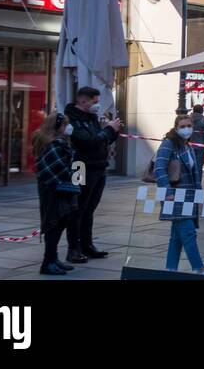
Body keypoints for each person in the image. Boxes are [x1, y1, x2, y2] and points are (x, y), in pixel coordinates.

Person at [63, 86, 121, 263]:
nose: (97, 105)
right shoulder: (71, 119)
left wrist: (113, 131)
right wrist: (108, 130)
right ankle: (73, 248)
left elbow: (101, 141)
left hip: (98, 167)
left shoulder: (92, 118)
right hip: (79, 167)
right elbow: (86, 141)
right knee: (77, 208)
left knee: (89, 209)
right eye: (94, 102)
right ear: (82, 101)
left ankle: (87, 245)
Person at [155, 113, 204, 273]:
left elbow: (193, 172)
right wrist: (167, 191)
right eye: (182, 126)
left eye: (189, 126)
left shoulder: (188, 145)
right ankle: (199, 268)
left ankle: (170, 269)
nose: (186, 129)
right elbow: (159, 167)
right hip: (175, 196)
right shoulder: (169, 143)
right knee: (189, 233)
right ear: (176, 128)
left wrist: (198, 194)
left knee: (176, 237)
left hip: (188, 197)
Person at [33, 112, 80, 276]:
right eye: (65, 124)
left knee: (59, 223)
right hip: (54, 189)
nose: (68, 127)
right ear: (58, 126)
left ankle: (53, 258)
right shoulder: (56, 144)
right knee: (54, 224)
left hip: (52, 188)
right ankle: (48, 262)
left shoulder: (54, 142)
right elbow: (62, 168)